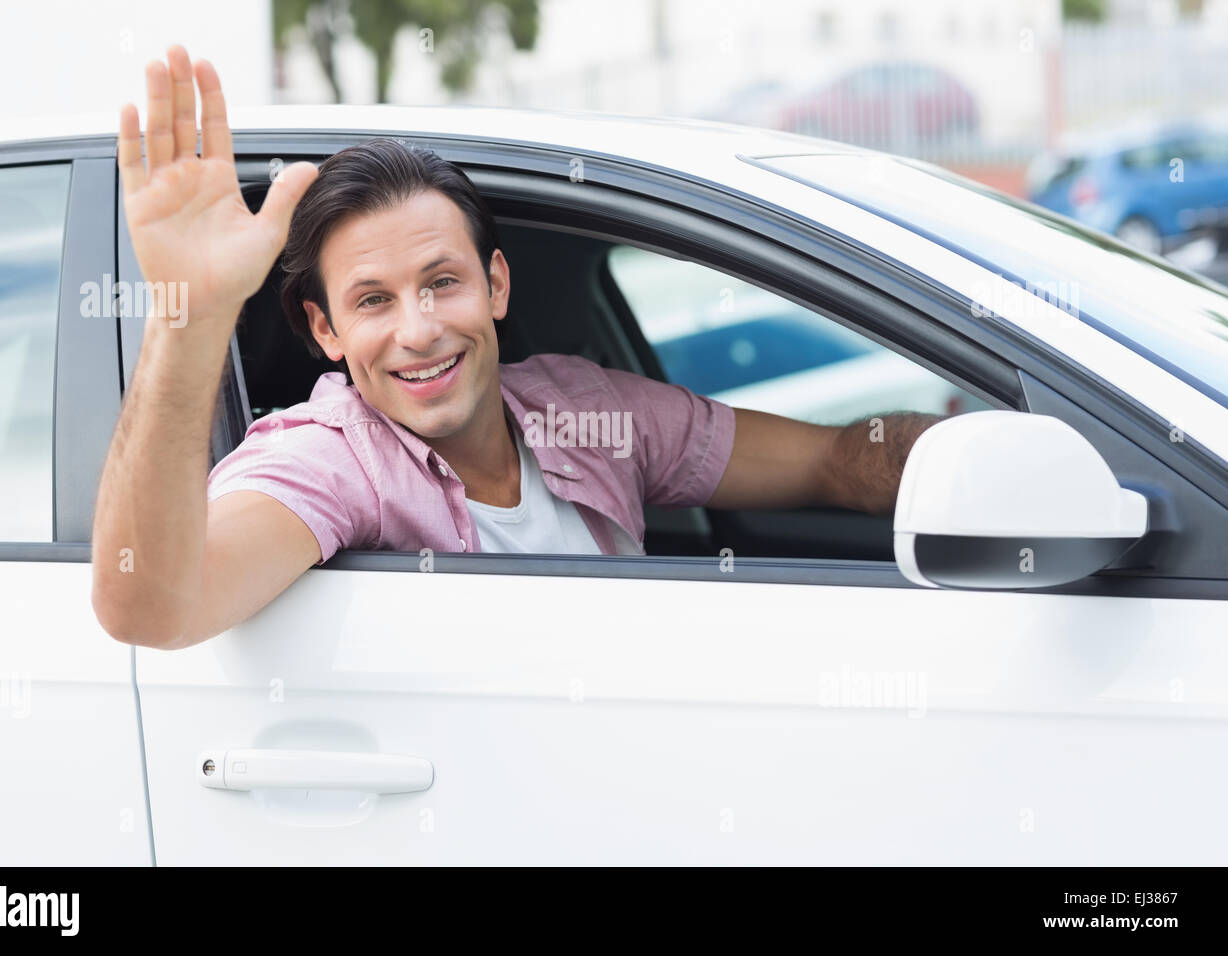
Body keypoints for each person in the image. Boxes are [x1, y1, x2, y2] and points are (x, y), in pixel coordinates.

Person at [90, 45, 942, 650]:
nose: (418, 329)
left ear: (495, 285)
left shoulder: (583, 409)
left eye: (442, 282)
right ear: (325, 331)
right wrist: (188, 316)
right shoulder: (330, 460)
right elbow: (151, 608)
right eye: (373, 302)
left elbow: (836, 459)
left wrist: (965, 452)